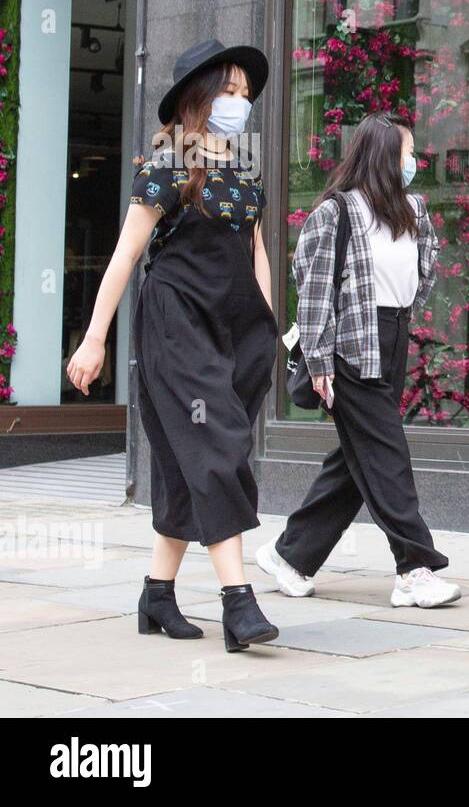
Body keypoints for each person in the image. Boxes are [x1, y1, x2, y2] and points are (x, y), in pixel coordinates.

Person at [67, 38, 280, 653]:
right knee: (215, 449)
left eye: (245, 93)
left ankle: (157, 595)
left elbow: (257, 249)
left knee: (192, 463)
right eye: (229, 91)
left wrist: (268, 324)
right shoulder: (168, 161)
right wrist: (94, 339)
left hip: (236, 325)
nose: (240, 103)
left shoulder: (246, 166)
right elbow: (126, 254)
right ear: (200, 97)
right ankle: (238, 605)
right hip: (176, 322)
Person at [257, 113, 459, 608]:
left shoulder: (413, 210)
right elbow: (314, 291)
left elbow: (424, 273)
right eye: (409, 152)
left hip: (392, 337)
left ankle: (290, 555)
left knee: (358, 459)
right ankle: (415, 567)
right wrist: (321, 360)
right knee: (387, 456)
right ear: (386, 157)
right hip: (351, 345)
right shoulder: (337, 214)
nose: (415, 161)